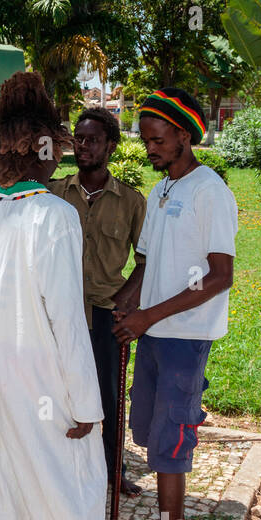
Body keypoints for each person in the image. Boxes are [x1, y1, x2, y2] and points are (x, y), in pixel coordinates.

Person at [0, 72, 150, 520]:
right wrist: (87, 405)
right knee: (74, 476)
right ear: (45, 148)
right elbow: (66, 316)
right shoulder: (55, 215)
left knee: (7, 473)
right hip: (41, 368)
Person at [113, 88, 238, 520]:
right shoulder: (162, 189)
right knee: (148, 434)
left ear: (185, 135)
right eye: (145, 141)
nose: (150, 149)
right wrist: (117, 308)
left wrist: (147, 317)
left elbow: (220, 276)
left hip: (184, 338)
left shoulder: (211, 192)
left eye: (158, 140)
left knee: (170, 446)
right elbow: (145, 267)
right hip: (154, 334)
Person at [48, 106, 147, 498]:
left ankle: (113, 470)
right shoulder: (54, 193)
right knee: (59, 391)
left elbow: (146, 258)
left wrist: (127, 298)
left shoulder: (130, 201)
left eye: (92, 139)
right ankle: (61, 465)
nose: (83, 145)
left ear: (111, 145)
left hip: (107, 312)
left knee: (108, 394)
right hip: (60, 310)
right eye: (78, 137)